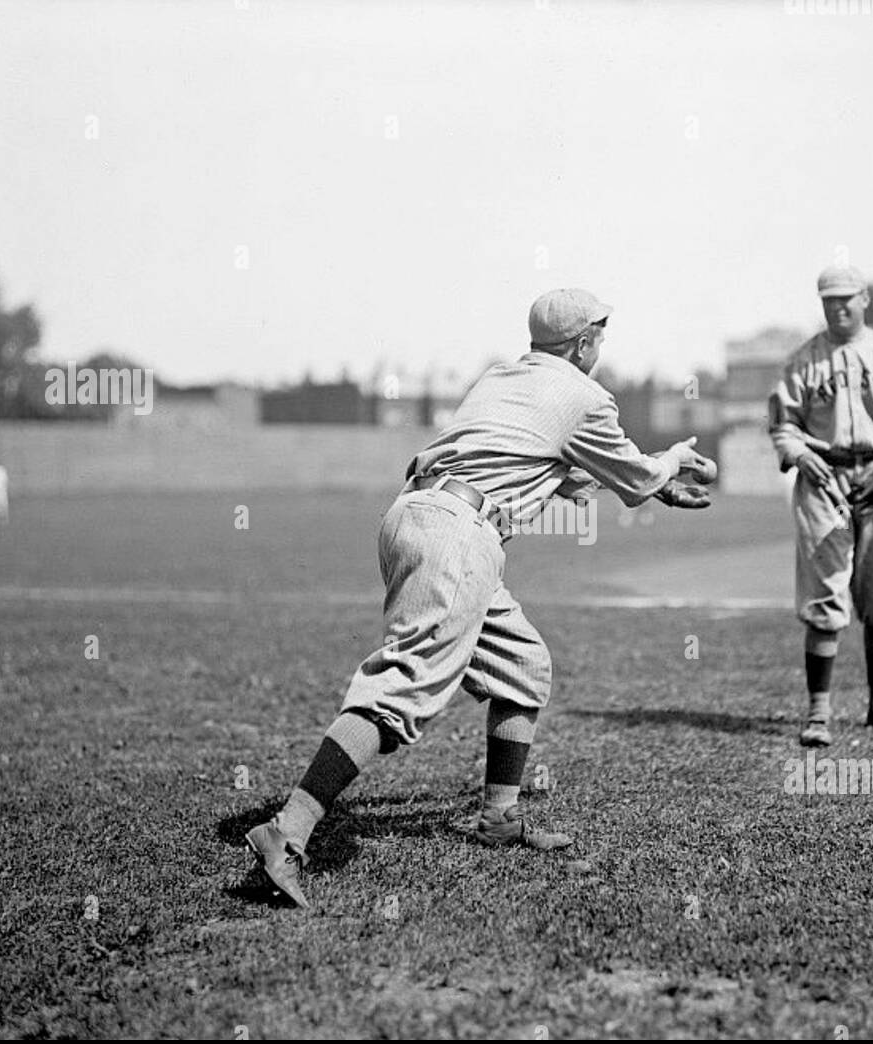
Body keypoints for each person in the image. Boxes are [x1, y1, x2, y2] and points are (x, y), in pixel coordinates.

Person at [244, 288, 713, 908]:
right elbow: (634, 475)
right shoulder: (584, 396)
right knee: (405, 685)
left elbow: (544, 460)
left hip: (416, 514)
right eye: (600, 334)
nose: (602, 344)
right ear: (582, 344)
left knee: (523, 667)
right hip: (460, 535)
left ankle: (498, 818)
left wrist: (630, 483)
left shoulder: (502, 377)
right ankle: (289, 831)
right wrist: (669, 466)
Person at [767, 265, 873, 749]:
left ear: (865, 298)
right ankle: (819, 713)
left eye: (846, 298)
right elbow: (783, 423)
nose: (838, 307)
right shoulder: (803, 361)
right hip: (824, 478)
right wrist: (799, 453)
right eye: (829, 300)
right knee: (823, 594)